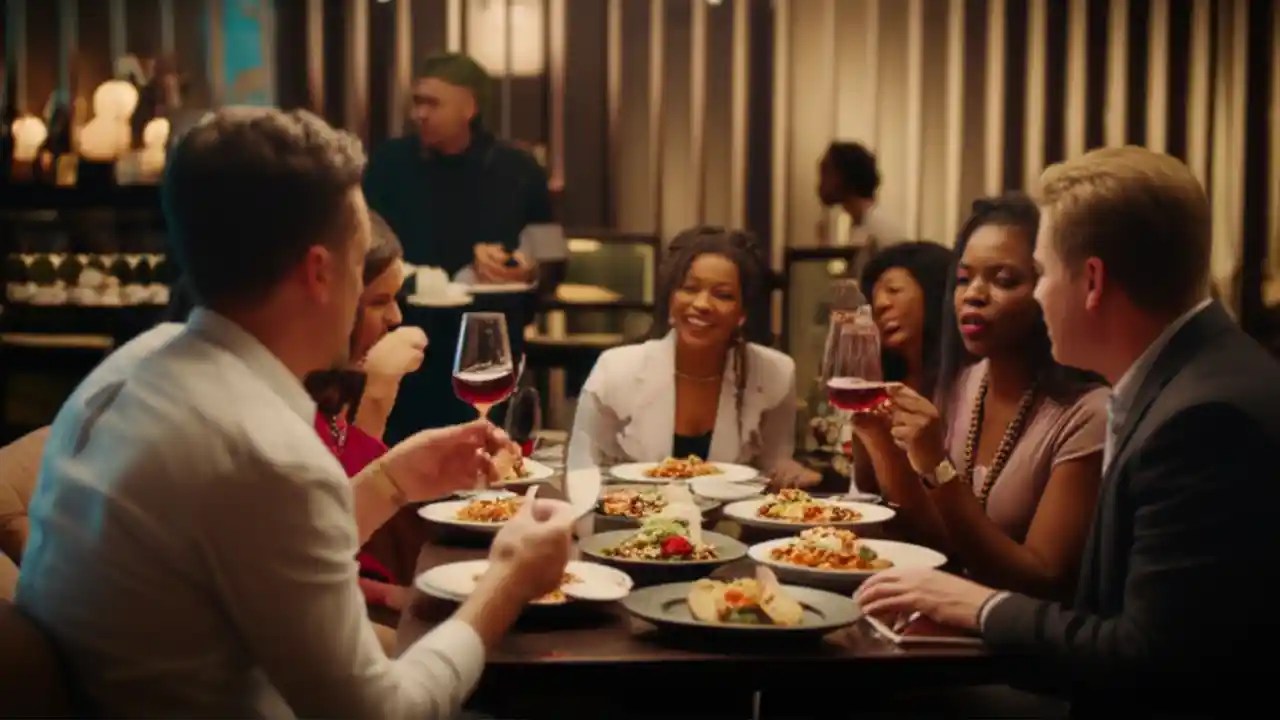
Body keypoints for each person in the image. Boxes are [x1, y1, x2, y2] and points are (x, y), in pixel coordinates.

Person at [16, 107, 576, 718]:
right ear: (320, 272)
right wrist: (508, 581)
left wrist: (391, 481)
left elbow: (255, 549)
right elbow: (381, 713)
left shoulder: (130, 368)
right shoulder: (268, 452)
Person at [855, 146, 1280, 712]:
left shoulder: (1203, 420)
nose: (1040, 293)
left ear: (1093, 281)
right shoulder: (1190, 377)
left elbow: (1146, 658)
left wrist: (979, 607)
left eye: (1043, 272)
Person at [853, 194, 1107, 601]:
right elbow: (939, 540)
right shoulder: (963, 384)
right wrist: (879, 441)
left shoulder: (1087, 413)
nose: (974, 294)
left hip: (1019, 648)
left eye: (1003, 280)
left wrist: (937, 467)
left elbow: (1042, 578)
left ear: (1051, 288)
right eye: (964, 278)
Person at [569, 226, 796, 474]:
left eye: (723, 295)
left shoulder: (776, 374)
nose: (702, 304)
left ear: (742, 313)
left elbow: (775, 465)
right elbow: (580, 470)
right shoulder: (616, 370)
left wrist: (787, 471)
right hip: (628, 509)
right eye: (689, 289)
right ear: (670, 299)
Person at [363, 52, 560, 284]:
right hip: (404, 312)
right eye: (417, 102)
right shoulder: (389, 163)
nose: (419, 114)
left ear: (469, 107)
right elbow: (364, 249)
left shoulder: (520, 169)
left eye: (432, 104)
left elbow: (552, 257)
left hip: (494, 314)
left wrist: (528, 271)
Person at [860, 241, 953, 399]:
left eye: (894, 290)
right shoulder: (881, 383)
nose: (880, 304)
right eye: (873, 298)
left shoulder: (968, 382)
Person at [817, 141, 904, 255]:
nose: (820, 185)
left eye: (826, 173)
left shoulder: (880, 233)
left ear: (844, 176)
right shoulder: (857, 228)